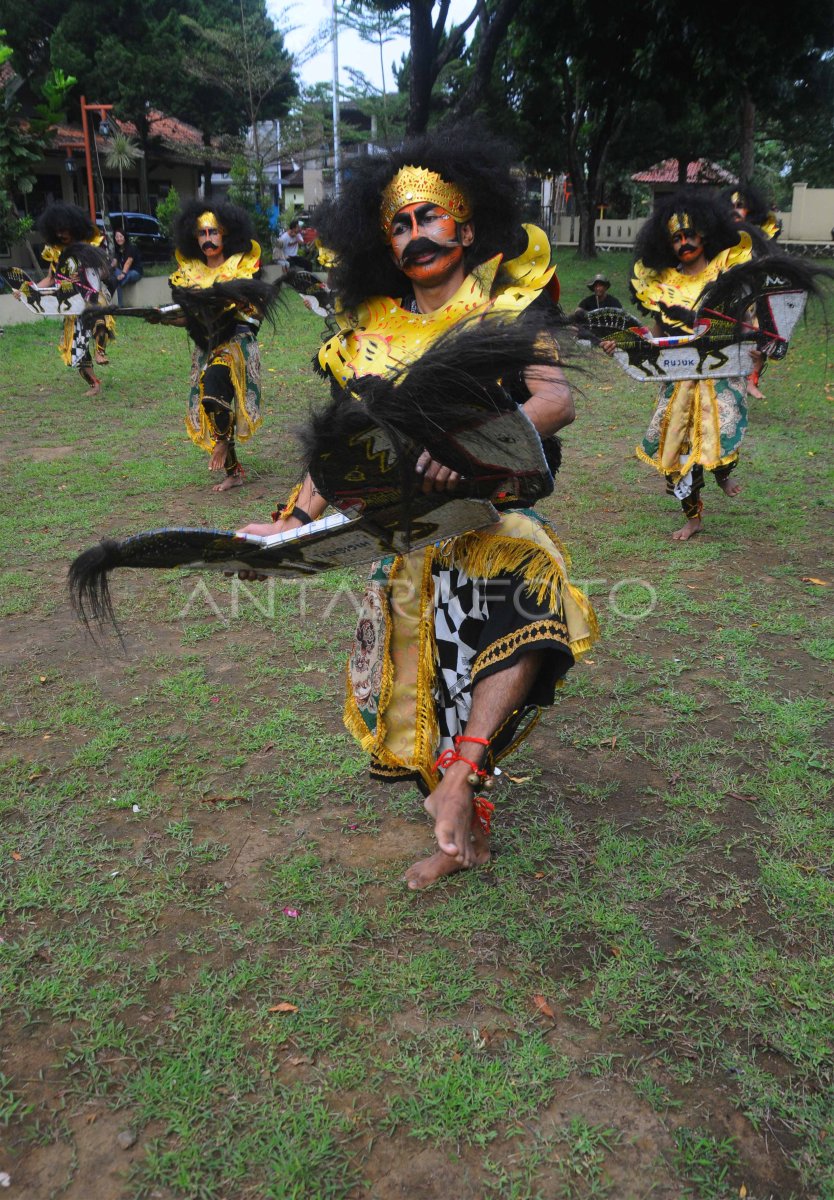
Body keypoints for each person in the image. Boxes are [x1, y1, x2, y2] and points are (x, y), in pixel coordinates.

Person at [237, 127, 598, 889]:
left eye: (429, 217)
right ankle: (456, 830)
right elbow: (340, 447)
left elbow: (555, 402)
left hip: (491, 524)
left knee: (522, 621)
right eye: (399, 225)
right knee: (411, 702)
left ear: (466, 227)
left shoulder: (508, 307)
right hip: (404, 545)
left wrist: (476, 446)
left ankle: (462, 783)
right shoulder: (368, 333)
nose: (414, 235)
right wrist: (294, 522)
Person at [630, 188, 755, 541]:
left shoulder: (724, 272)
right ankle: (693, 517)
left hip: (718, 374)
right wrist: (631, 345)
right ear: (667, 244)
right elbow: (654, 335)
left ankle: (723, 473)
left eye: (690, 234)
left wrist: (754, 339)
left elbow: (745, 318)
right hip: (679, 380)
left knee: (720, 434)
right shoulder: (661, 285)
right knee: (678, 452)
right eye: (676, 238)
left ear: (704, 234)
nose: (684, 242)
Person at [169, 200, 265, 492]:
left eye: (214, 232)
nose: (208, 239)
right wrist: (165, 319)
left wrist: (240, 304)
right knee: (213, 401)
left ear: (226, 234)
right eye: (202, 233)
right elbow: (188, 319)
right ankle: (234, 472)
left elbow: (257, 314)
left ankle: (222, 444)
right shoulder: (190, 272)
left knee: (213, 385)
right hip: (206, 345)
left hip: (236, 342)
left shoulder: (241, 267)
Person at [31, 203, 115, 395]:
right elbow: (51, 278)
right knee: (77, 349)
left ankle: (101, 350)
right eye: (57, 231)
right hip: (70, 301)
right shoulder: (56, 252)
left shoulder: (89, 245)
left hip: (92, 295)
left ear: (74, 227)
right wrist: (31, 290)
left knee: (97, 313)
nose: (61, 234)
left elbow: (103, 271)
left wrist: (84, 273)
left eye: (64, 229)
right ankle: (94, 383)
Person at [722, 185, 781, 399]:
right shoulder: (717, 238)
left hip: (755, 296)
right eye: (731, 206)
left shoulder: (760, 241)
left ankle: (751, 380)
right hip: (724, 297)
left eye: (740, 206)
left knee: (758, 337)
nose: (735, 210)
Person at [110, 226, 143, 306]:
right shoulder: (118, 250)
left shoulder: (131, 248)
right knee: (115, 273)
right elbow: (114, 262)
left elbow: (128, 262)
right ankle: (117, 282)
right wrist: (109, 267)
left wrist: (123, 274)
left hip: (135, 272)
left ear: (125, 237)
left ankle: (119, 304)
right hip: (123, 272)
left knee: (118, 280)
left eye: (121, 236)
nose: (119, 239)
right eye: (117, 237)